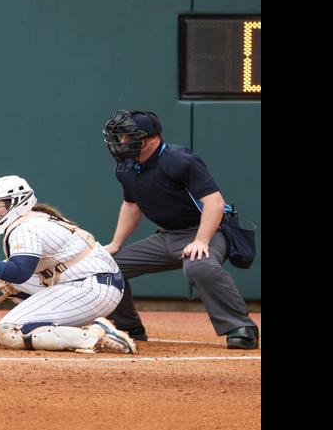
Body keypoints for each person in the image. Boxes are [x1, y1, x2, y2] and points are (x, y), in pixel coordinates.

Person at [100, 109, 258, 349]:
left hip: (208, 230)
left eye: (128, 136)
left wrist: (202, 241)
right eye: (120, 136)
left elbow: (214, 203)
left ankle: (240, 327)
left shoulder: (178, 159)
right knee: (105, 266)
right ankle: (128, 327)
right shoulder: (126, 168)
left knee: (199, 266)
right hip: (168, 236)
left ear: (151, 138)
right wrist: (116, 243)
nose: (122, 142)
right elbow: (131, 205)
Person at [0, 175, 135, 355]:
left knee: (8, 332)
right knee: (2, 277)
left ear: (15, 203)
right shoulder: (35, 218)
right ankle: (75, 320)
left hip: (91, 289)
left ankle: (94, 334)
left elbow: (19, 272)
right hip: (93, 282)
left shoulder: (26, 227)